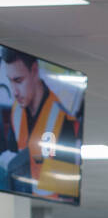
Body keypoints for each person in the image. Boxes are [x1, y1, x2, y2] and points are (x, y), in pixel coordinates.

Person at [1, 47, 79, 199]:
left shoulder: (62, 118)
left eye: (19, 81)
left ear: (34, 70)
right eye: (11, 82)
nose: (14, 91)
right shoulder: (16, 111)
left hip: (51, 202)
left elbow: (68, 188)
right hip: (22, 198)